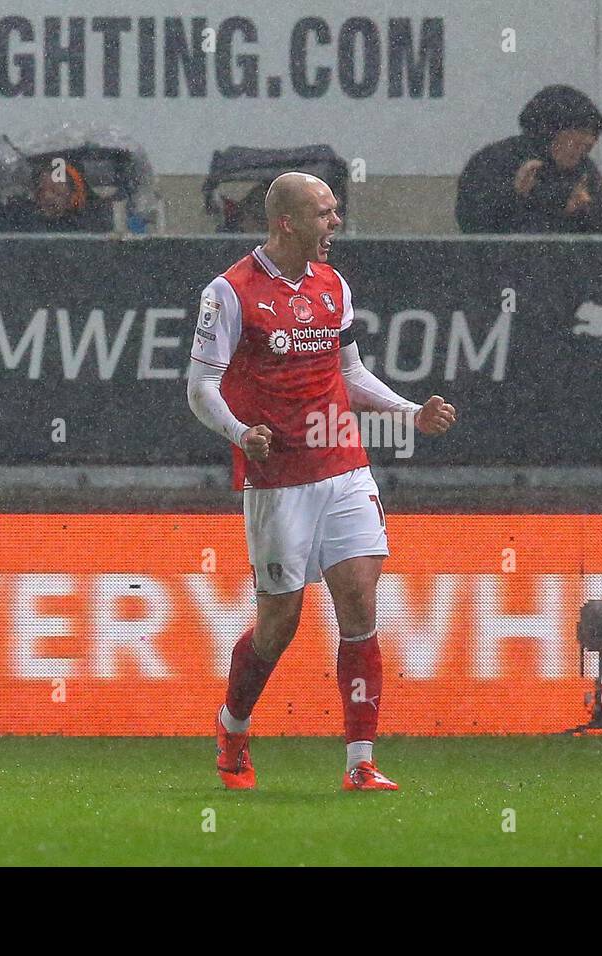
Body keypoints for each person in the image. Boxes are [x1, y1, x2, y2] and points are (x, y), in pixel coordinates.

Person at [187, 172, 457, 791]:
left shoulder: (333, 284)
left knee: (358, 602)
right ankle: (233, 726)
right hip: (277, 480)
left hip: (344, 466)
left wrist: (410, 413)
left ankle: (361, 761)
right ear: (286, 222)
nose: (336, 223)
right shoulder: (230, 292)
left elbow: (350, 374)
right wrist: (240, 433)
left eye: (335, 211)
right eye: (325, 213)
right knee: (279, 624)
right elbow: (201, 387)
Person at [455, 85, 602, 233]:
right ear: (548, 130)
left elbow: (601, 234)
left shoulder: (584, 170)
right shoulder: (493, 161)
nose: (589, 141)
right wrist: (513, 194)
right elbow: (472, 223)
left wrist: (585, 212)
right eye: (581, 131)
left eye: (593, 134)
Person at [0, 156, 114, 233]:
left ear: (75, 195)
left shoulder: (94, 220)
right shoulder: (20, 215)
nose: (48, 197)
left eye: (56, 191)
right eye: (42, 190)